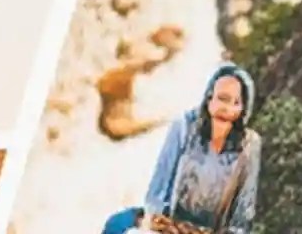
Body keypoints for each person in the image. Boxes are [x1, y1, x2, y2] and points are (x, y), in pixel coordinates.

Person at [103, 64, 262, 234]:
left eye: (236, 102)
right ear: (209, 99)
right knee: (115, 225)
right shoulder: (184, 127)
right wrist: (163, 222)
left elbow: (243, 213)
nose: (227, 108)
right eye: (222, 98)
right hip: (169, 223)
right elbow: (157, 191)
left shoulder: (249, 145)